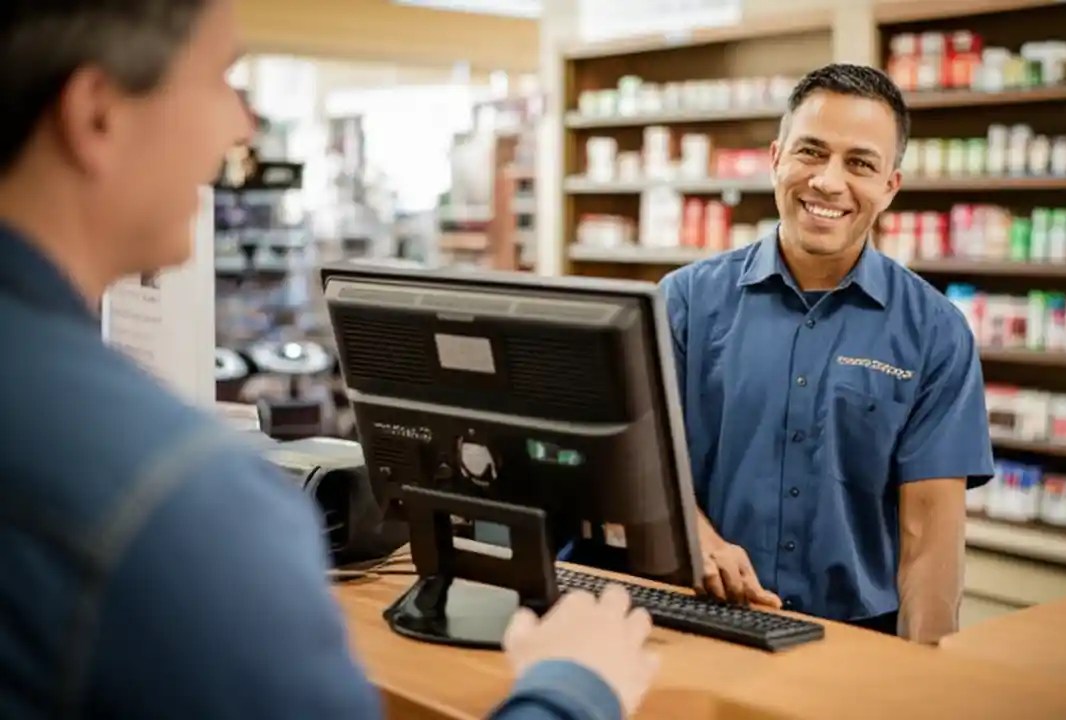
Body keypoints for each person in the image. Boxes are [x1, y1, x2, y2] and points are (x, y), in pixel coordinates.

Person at [0, 2, 656, 719]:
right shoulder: (178, 501)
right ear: (98, 115)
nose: (241, 125)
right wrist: (570, 688)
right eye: (221, 78)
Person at [659, 64, 994, 644]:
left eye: (859, 163)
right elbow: (637, 469)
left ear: (890, 186)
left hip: (854, 642)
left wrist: (925, 679)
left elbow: (930, 541)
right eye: (810, 152)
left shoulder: (934, 332)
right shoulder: (686, 302)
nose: (828, 182)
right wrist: (698, 537)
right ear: (775, 159)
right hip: (699, 620)